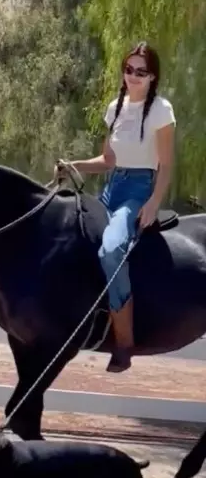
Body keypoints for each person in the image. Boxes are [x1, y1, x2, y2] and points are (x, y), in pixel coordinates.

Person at [56, 41, 176, 372]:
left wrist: (153, 202)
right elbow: (109, 160)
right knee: (72, 237)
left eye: (141, 72)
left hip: (139, 188)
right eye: (128, 70)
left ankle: (125, 342)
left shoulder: (161, 111)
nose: (133, 76)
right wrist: (75, 165)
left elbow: (166, 163)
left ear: (152, 77)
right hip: (112, 187)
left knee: (111, 250)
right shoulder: (115, 107)